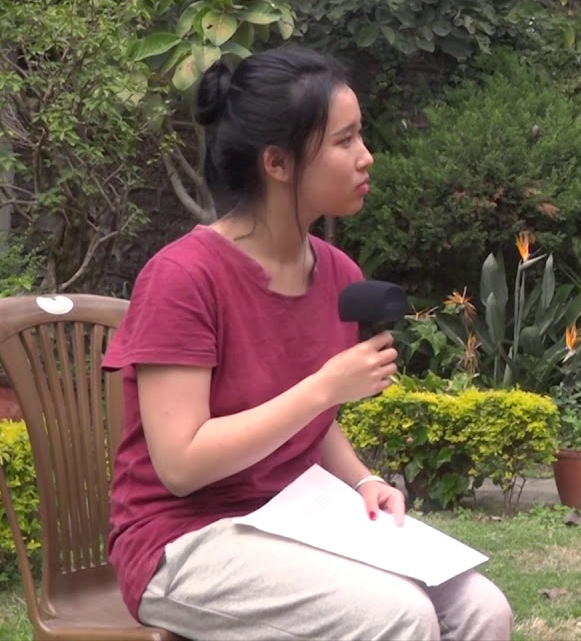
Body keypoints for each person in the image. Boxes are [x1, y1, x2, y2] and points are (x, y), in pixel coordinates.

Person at [102, 47, 512, 640]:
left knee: (483, 609)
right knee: (401, 618)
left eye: (360, 136)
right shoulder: (183, 278)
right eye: (344, 141)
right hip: (181, 539)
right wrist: (324, 388)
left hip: (293, 520)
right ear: (278, 162)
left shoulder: (338, 273)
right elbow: (182, 463)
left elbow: (310, 427)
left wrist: (364, 481)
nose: (366, 157)